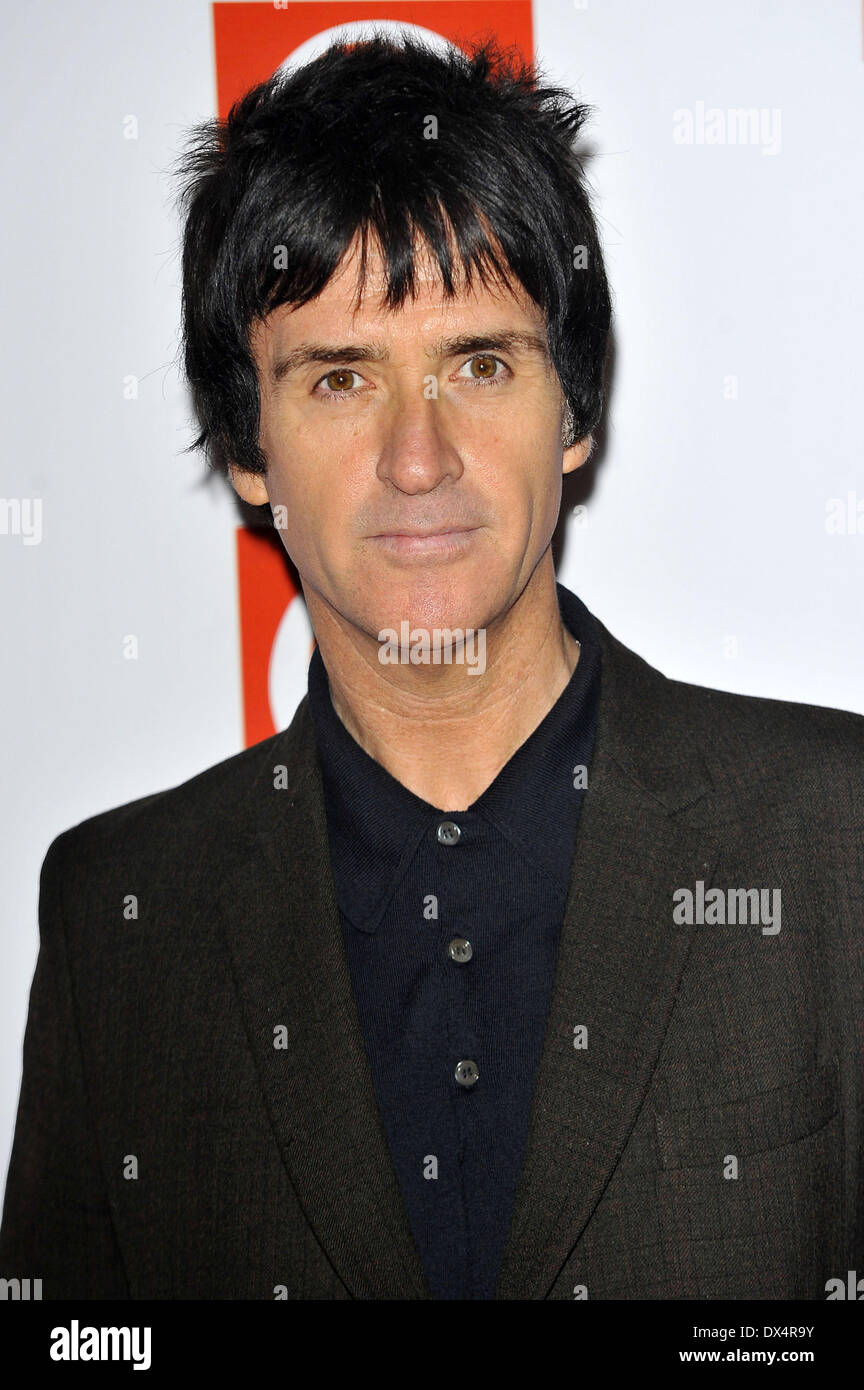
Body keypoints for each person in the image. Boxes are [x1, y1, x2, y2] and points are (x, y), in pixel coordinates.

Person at [1, 31, 862, 1302]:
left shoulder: (835, 837)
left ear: (573, 408)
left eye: (479, 363)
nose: (420, 457)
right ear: (250, 452)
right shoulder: (120, 920)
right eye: (341, 379)